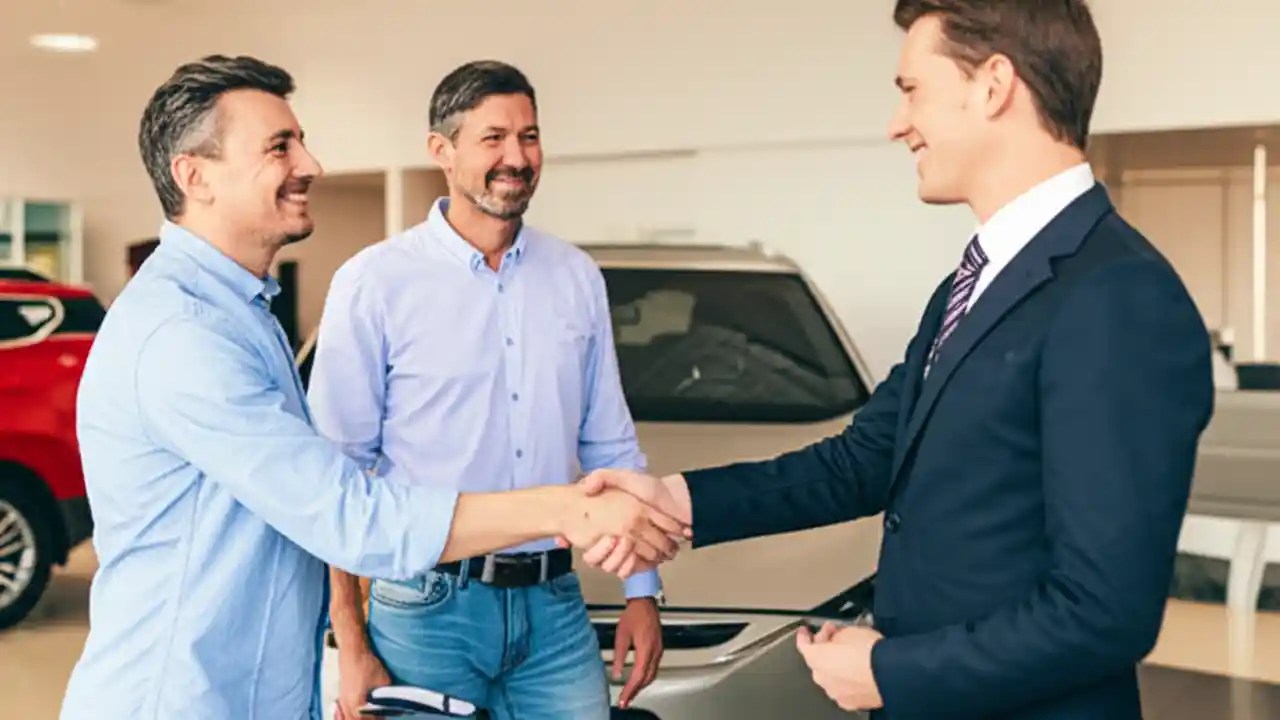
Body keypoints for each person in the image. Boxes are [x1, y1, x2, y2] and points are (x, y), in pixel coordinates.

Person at [576, 1, 1215, 718]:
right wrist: (678, 502)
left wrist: (893, 671)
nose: (895, 122)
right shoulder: (971, 284)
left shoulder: (1116, 296)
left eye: (912, 89)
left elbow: (1104, 610)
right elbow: (865, 460)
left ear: (995, 84)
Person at [60, 55, 682, 720]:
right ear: (195, 176)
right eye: (280, 146)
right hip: (184, 700)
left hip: (257, 690)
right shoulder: (183, 336)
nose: (311, 164)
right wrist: (567, 510)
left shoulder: (242, 312)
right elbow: (350, 512)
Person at [307, 60, 664, 720]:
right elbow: (337, 480)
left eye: (529, 137)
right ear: (441, 151)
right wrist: (349, 642)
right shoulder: (374, 282)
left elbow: (610, 445)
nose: (517, 157)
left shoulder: (577, 277)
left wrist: (642, 591)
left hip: (555, 608)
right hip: (423, 610)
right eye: (493, 138)